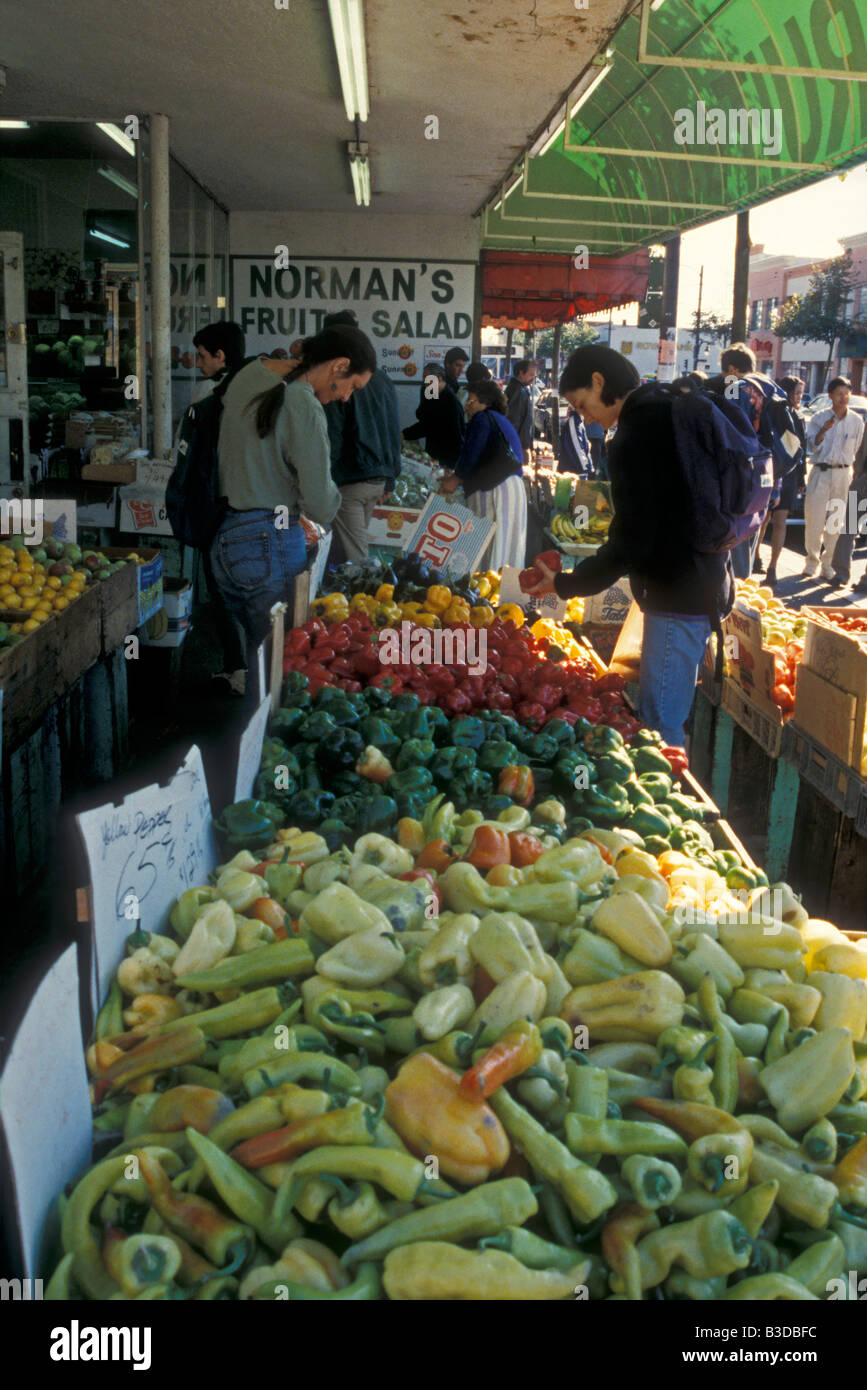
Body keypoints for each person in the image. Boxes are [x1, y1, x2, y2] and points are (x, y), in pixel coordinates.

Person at [530, 344, 735, 750]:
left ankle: (674, 805)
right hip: (704, 583)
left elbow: (630, 541)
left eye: (582, 403)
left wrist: (568, 585)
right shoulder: (665, 407)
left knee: (660, 726)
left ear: (599, 382)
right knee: (667, 713)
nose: (584, 416)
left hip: (678, 594)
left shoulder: (637, 432)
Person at [210, 324, 375, 696]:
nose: (348, 398)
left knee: (261, 664)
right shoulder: (303, 404)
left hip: (227, 541)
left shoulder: (248, 376)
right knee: (281, 677)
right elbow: (320, 502)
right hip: (268, 542)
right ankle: (260, 750)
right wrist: (331, 499)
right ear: (339, 365)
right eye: (353, 386)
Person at [185, 321, 248, 695]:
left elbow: (194, 456)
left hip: (217, 506)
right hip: (253, 508)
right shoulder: (258, 391)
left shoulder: (207, 393)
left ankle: (236, 670)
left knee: (221, 589)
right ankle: (253, 670)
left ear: (220, 356)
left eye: (202, 355)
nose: (197, 362)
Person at [320, 310, 401, 564]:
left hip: (350, 478)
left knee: (356, 558)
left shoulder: (337, 379)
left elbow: (332, 434)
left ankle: (363, 600)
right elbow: (392, 429)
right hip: (376, 478)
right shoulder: (382, 378)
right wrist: (390, 477)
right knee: (347, 552)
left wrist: (323, 479)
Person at [439, 379, 527, 569]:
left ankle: (486, 597)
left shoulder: (483, 418)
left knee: (486, 550)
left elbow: (473, 451)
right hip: (512, 489)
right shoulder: (499, 419)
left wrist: (455, 479)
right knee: (506, 552)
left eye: (470, 402)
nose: (466, 407)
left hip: (495, 490)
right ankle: (503, 595)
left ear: (485, 402)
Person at [803, 376, 866, 583]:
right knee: (815, 519)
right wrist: (824, 430)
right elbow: (812, 445)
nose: (843, 397)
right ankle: (811, 562)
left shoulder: (857, 421)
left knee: (835, 522)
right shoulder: (819, 418)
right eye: (839, 393)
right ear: (830, 396)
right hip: (821, 472)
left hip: (843, 474)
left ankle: (827, 564)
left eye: (846, 393)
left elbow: (856, 450)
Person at [759, 376, 807, 585]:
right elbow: (799, 450)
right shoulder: (788, 414)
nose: (799, 397)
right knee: (774, 521)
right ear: (787, 392)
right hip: (784, 473)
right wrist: (800, 477)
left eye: (800, 393)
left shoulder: (775, 410)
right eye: (796, 393)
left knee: (766, 519)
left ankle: (763, 562)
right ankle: (769, 566)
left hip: (773, 471)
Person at [402, 362, 465, 467]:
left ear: (439, 379)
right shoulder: (431, 393)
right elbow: (424, 418)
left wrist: (406, 434)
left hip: (447, 458)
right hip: (433, 451)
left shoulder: (451, 403)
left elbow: (456, 437)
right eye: (423, 378)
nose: (425, 383)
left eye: (428, 379)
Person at [504, 359, 536, 463]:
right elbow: (514, 420)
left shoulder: (519, 389)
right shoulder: (518, 391)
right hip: (517, 446)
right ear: (521, 373)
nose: (533, 378)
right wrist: (518, 448)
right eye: (531, 375)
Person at [558, 407, 592, 474]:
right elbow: (576, 447)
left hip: (576, 470)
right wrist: (585, 468)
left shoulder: (578, 422)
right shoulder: (574, 422)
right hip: (574, 471)